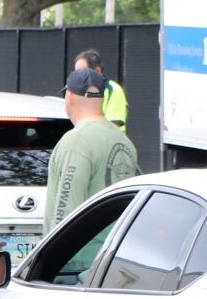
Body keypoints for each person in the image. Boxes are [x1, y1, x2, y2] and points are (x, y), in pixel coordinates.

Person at [43, 67, 140, 230]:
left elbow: (65, 213)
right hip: (115, 250)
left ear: (70, 97)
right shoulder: (124, 142)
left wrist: (53, 254)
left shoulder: (76, 141)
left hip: (81, 254)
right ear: (102, 99)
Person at [74, 49, 128, 129]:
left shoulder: (114, 91)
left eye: (82, 72)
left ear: (97, 71)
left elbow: (113, 128)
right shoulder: (80, 93)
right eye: (76, 73)